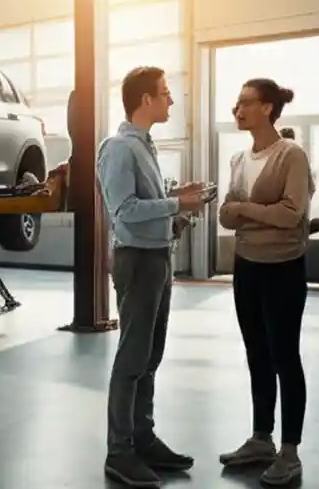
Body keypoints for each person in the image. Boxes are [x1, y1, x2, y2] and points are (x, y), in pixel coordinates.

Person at [97, 66, 210, 488]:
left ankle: (142, 438)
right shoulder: (119, 149)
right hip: (138, 262)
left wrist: (179, 205)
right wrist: (174, 201)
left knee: (150, 356)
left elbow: (151, 207)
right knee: (132, 359)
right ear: (145, 99)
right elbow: (123, 211)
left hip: (157, 260)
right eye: (164, 93)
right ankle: (119, 452)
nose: (170, 100)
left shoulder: (146, 147)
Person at [217, 78, 313, 487]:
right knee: (256, 351)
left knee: (284, 356)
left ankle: (289, 452)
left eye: (245, 103)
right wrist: (251, 211)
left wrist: (244, 210)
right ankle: (261, 438)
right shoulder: (239, 158)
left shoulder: (291, 156)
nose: (237, 110)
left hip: (283, 267)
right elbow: (224, 215)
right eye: (236, 103)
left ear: (269, 108)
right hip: (247, 266)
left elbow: (292, 213)